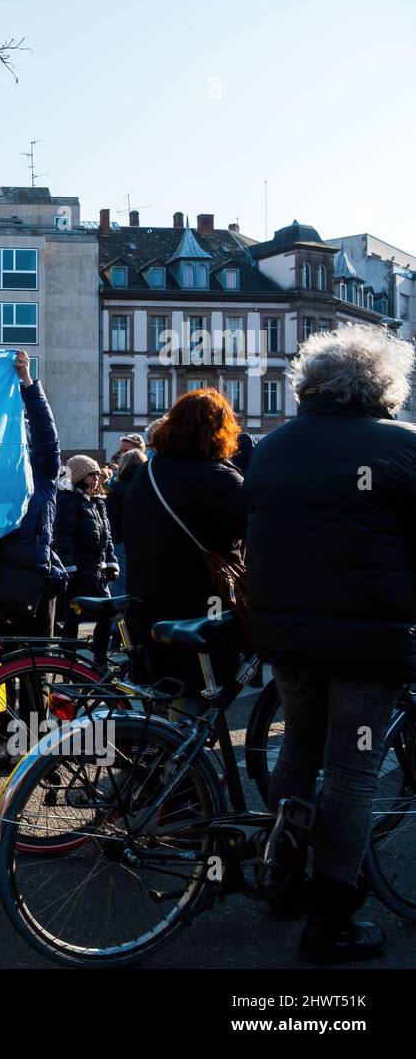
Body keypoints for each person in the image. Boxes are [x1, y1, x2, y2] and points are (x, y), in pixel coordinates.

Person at [245, 326, 416, 964]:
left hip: (286, 636)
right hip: (367, 641)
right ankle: (332, 920)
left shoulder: (272, 447)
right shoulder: (401, 447)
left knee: (297, 753)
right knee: (351, 771)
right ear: (382, 385)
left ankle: (281, 880)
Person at [122, 390, 244, 713]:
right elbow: (251, 536)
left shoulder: (147, 472)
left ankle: (154, 759)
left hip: (145, 608)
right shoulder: (220, 479)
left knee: (157, 704)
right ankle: (177, 762)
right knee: (193, 705)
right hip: (201, 613)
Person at [0, 350, 66, 763]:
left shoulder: (1, 473)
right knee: (35, 667)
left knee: (8, 668)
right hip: (30, 579)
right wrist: (28, 384)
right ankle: (24, 746)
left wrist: (29, 386)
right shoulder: (41, 471)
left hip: (1, 581)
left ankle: (6, 743)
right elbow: (49, 437)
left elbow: (47, 436)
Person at [53, 454, 116, 654]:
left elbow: (107, 537)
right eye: (91, 475)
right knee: (73, 620)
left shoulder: (98, 502)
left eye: (97, 474)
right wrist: (69, 565)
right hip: (79, 571)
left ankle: (99, 658)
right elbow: (64, 536)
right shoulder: (68, 500)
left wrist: (111, 562)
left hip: (98, 571)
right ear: (79, 476)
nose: (96, 478)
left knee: (108, 615)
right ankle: (66, 661)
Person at [106, 445, 146, 596]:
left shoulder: (114, 489)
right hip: (143, 540)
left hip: (120, 540)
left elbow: (111, 518)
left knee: (120, 583)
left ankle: (119, 618)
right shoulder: (145, 489)